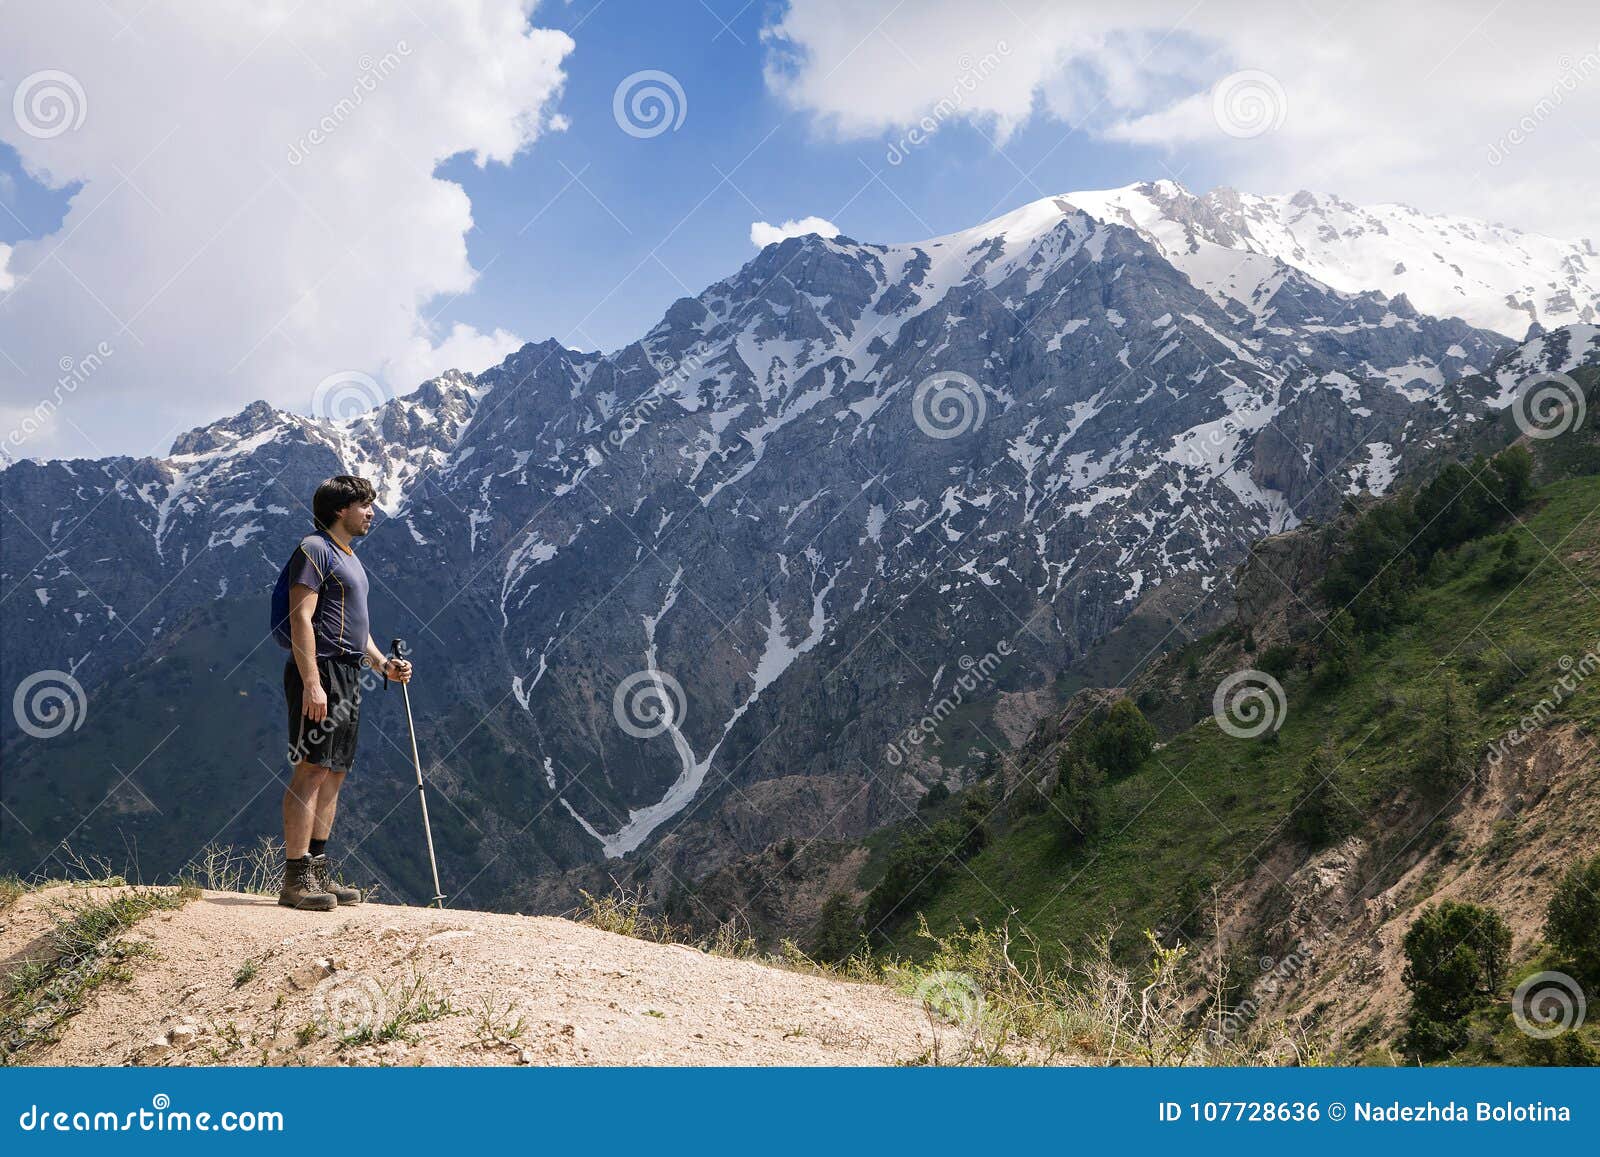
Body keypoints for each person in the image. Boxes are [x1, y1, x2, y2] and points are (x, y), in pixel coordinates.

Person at [269, 475, 412, 911]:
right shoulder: (314, 550)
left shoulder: (347, 557)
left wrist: (381, 664)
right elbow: (301, 618)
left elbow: (357, 630)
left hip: (348, 672)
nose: (372, 512)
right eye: (364, 505)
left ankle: (317, 872)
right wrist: (312, 681)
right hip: (323, 672)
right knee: (312, 769)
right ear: (339, 510)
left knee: (334, 772)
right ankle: (295, 880)